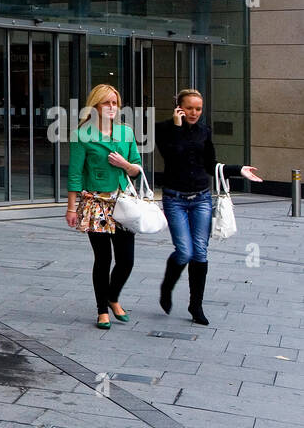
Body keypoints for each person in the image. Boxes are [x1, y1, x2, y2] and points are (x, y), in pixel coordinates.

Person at [155, 89, 262, 325]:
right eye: (190, 108)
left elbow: (210, 163)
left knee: (200, 252)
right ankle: (167, 287)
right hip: (175, 199)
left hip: (201, 198)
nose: (194, 113)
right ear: (179, 107)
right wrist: (177, 126)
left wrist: (238, 170)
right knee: (185, 251)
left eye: (198, 108)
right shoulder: (164, 129)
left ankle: (196, 305)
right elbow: (172, 155)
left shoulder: (204, 131)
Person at [65, 83, 143, 329]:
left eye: (115, 103)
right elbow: (75, 174)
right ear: (95, 106)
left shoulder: (126, 133)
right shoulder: (82, 135)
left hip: (122, 203)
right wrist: (70, 207)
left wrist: (124, 164)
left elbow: (137, 168)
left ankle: (113, 297)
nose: (111, 107)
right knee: (103, 259)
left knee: (126, 260)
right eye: (106, 102)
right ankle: (102, 310)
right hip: (94, 203)